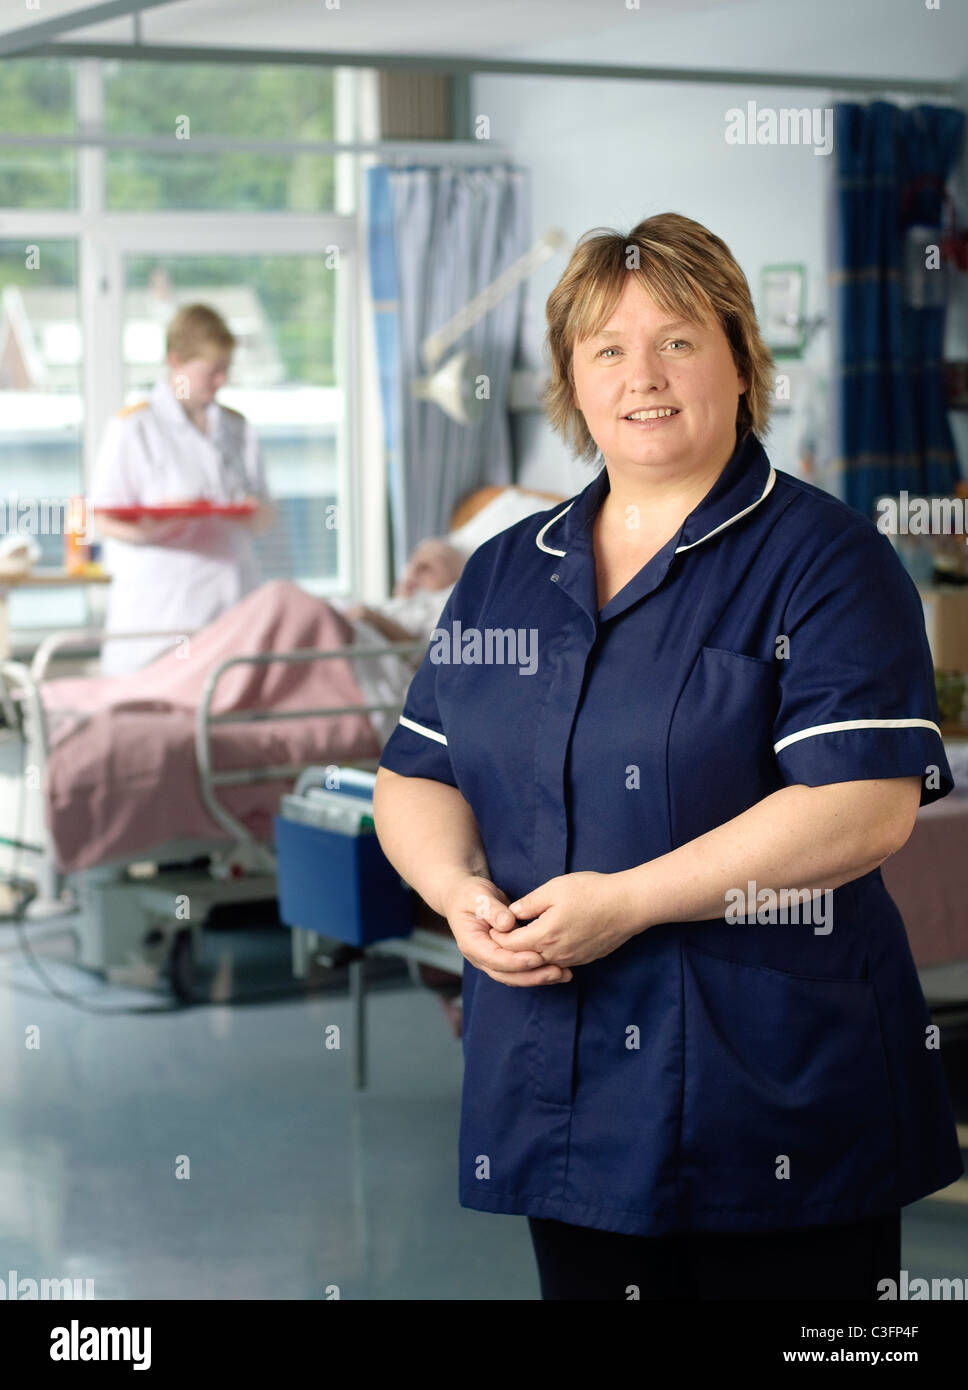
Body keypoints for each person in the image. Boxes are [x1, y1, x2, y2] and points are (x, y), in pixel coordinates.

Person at [372, 212, 963, 1301]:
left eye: (677, 340)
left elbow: (862, 807)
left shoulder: (825, 561)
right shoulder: (504, 570)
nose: (640, 376)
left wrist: (629, 901)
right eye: (605, 349)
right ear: (571, 381)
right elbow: (418, 770)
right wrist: (454, 891)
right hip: (564, 1085)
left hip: (770, 1091)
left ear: (739, 360)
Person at [90, 303, 274, 676]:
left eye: (226, 369)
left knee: (231, 720)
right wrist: (157, 525)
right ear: (176, 361)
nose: (221, 380)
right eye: (213, 370)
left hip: (233, 603)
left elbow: (264, 514)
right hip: (163, 614)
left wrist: (253, 512)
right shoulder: (134, 427)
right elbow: (103, 519)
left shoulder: (237, 428)